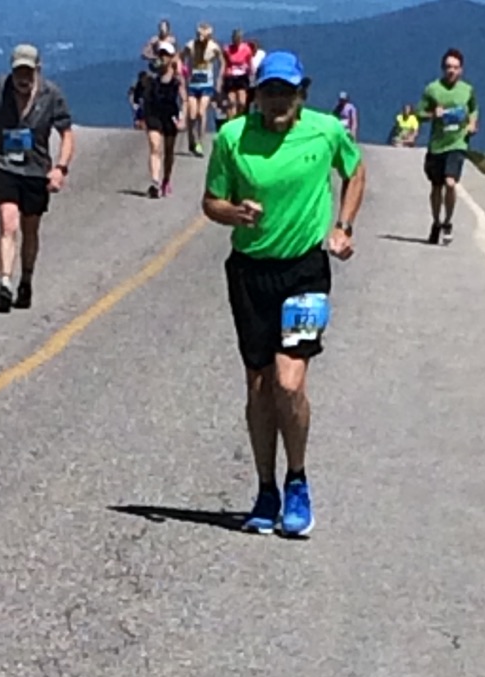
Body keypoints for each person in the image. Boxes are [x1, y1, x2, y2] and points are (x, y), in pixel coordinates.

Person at [202, 50, 366, 538]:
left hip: (304, 271)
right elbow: (211, 202)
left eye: (286, 92)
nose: (277, 101)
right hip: (250, 273)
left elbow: (355, 172)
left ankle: (297, 481)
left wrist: (343, 226)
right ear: (256, 94)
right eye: (269, 91)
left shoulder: (326, 130)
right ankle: (265, 488)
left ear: (302, 93)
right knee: (258, 385)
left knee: (289, 382)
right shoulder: (233, 136)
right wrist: (234, 212)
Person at [0, 43, 74, 314]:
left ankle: (26, 279)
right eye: (19, 73)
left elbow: (67, 134)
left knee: (30, 229)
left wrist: (60, 168)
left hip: (37, 170)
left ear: (38, 70)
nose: (23, 79)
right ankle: (4, 284)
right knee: (8, 224)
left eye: (28, 72)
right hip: (5, 166)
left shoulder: (52, 95)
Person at [418, 48, 478, 246]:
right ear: (443, 68)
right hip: (437, 146)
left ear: (461, 70)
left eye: (455, 67)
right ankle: (436, 222)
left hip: (457, 143)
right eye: (448, 67)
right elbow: (419, 114)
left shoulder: (467, 90)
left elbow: (474, 109)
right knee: (436, 187)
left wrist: (472, 124)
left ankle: (448, 221)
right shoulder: (432, 89)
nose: (451, 71)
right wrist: (432, 114)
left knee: (450, 183)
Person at [143, 39, 186, 196]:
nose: (163, 57)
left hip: (170, 114)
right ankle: (154, 181)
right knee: (155, 147)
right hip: (154, 113)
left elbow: (184, 99)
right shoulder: (152, 75)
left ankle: (166, 178)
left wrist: (182, 117)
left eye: (166, 55)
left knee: (169, 151)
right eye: (161, 54)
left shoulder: (177, 79)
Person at [182, 22, 221, 156]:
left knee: (201, 112)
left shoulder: (214, 48)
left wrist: (219, 79)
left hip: (206, 85)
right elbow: (181, 57)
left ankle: (199, 142)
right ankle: (191, 138)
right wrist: (184, 71)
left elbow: (222, 62)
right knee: (192, 114)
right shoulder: (190, 46)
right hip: (193, 84)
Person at [220, 29, 254, 119]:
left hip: (242, 76)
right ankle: (231, 120)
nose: (236, 40)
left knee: (242, 102)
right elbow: (224, 64)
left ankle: (240, 117)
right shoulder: (227, 49)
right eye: (235, 39)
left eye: (238, 38)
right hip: (230, 76)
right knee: (231, 101)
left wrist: (252, 74)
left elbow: (250, 63)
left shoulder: (246, 49)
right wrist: (221, 78)